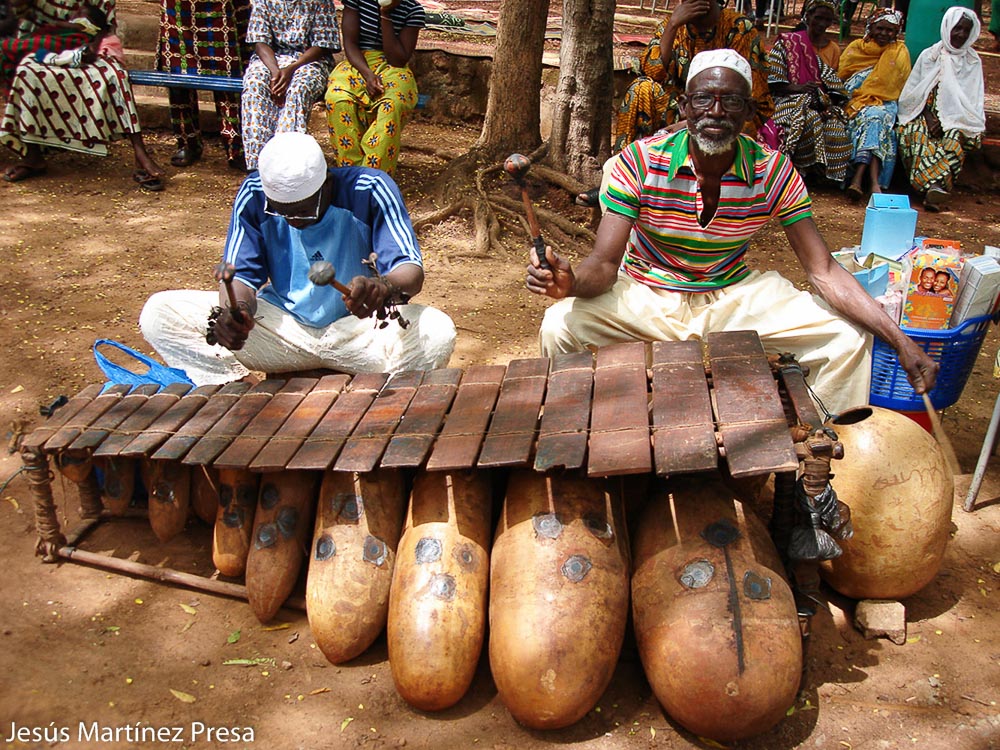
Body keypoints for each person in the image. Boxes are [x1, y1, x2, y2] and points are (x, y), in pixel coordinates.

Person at [528, 50, 938, 417]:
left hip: (732, 297)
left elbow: (824, 270)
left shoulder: (772, 170)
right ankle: (576, 438)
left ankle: (819, 472)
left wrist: (900, 341)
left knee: (846, 341)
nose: (717, 111)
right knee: (560, 326)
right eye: (704, 98)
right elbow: (603, 265)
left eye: (733, 101)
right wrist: (572, 283)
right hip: (646, 293)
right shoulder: (639, 162)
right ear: (686, 106)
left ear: (749, 112)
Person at [140, 132, 456, 384]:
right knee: (159, 313)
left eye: (304, 211)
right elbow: (241, 279)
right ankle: (233, 394)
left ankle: (390, 410)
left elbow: (410, 272)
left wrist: (383, 287)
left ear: (327, 183)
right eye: (281, 211)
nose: (292, 221)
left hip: (358, 332)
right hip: (284, 332)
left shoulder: (371, 188)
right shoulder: (253, 194)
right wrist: (235, 313)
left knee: (436, 332)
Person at [1, 0, 164, 188]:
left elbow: (103, 28)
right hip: (44, 45)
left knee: (115, 75)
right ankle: (32, 155)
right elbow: (22, 19)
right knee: (24, 72)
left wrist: (90, 48)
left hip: (89, 45)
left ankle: (140, 153)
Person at [612, 0, 773, 153]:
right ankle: (626, 162)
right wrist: (673, 25)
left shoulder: (739, 29)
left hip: (725, 110)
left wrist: (686, 125)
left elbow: (753, 96)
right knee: (641, 88)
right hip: (683, 108)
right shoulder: (675, 26)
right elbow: (652, 72)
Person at [896, 7, 984, 213]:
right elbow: (913, 94)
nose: (961, 34)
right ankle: (935, 188)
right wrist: (928, 117)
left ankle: (932, 188)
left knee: (953, 138)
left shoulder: (972, 62)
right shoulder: (930, 55)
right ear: (947, 28)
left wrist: (950, 121)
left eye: (966, 30)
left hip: (959, 118)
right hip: (922, 114)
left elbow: (972, 100)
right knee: (915, 134)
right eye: (957, 28)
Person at [325, 0, 424, 175]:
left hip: (393, 68)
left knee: (392, 105)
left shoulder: (413, 10)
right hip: (357, 63)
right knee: (338, 99)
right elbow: (350, 43)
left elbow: (398, 59)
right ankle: (350, 172)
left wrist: (385, 15)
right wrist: (367, 74)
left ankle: (373, 176)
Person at [240, 0, 339, 171]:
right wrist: (275, 73)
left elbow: (322, 45)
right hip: (271, 61)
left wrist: (291, 69)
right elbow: (259, 41)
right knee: (254, 85)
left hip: (309, 61)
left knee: (298, 90)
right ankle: (259, 166)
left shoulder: (320, 2)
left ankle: (286, 165)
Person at [154, 0, 251, 170]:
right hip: (179, 11)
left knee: (229, 78)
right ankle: (187, 143)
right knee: (179, 79)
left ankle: (235, 147)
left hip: (222, 9)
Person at [762, 0, 850, 184]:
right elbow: (773, 82)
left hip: (816, 102)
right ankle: (796, 170)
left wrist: (824, 102)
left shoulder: (831, 49)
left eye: (827, 20)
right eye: (818, 18)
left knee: (835, 125)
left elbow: (832, 82)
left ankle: (826, 176)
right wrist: (799, 89)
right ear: (808, 16)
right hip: (786, 100)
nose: (822, 24)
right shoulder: (788, 43)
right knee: (808, 118)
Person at [838, 8, 910, 200]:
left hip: (886, 103)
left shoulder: (900, 51)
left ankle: (858, 179)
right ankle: (874, 182)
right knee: (873, 119)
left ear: (896, 32)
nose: (885, 34)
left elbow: (897, 85)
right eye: (880, 28)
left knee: (876, 117)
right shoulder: (856, 48)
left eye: (890, 30)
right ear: (871, 27)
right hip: (855, 104)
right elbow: (844, 82)